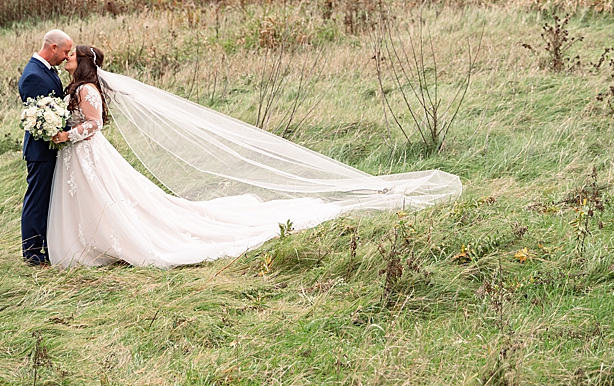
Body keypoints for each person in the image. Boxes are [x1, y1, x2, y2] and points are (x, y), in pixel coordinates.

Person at [44, 45, 462, 268]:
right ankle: (93, 242)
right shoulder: (76, 88)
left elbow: (94, 125)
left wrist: (65, 133)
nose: (67, 60)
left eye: (72, 56)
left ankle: (105, 243)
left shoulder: (86, 89)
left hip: (86, 150)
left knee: (116, 200)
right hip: (81, 156)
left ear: (83, 62)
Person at [19, 29, 74, 266]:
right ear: (53, 48)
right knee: (37, 200)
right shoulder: (33, 75)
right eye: (65, 52)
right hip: (41, 151)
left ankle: (49, 246)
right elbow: (39, 118)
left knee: (48, 200)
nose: (66, 56)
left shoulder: (45, 70)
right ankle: (32, 252)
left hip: (51, 148)